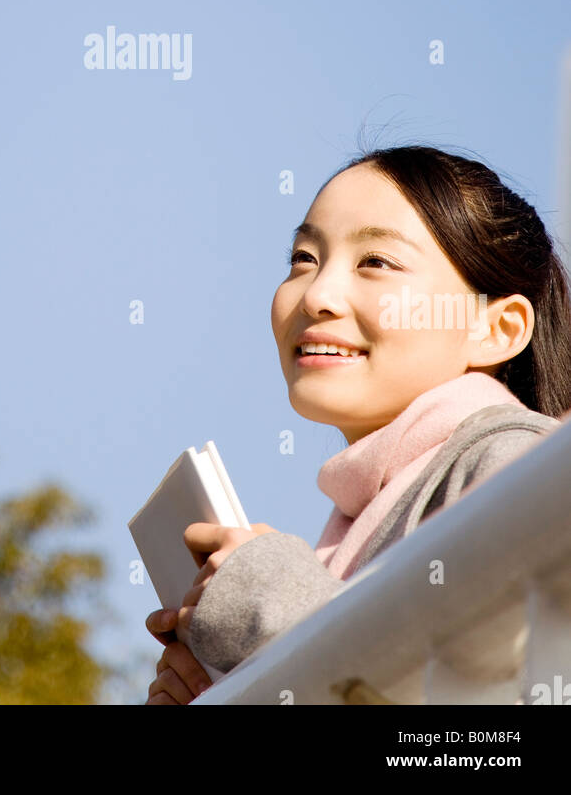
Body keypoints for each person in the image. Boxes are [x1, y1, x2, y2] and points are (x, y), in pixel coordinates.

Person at [144, 143, 571, 704]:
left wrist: (281, 606)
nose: (317, 295)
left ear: (496, 327)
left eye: (376, 262)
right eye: (303, 258)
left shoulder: (518, 463)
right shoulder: (345, 534)